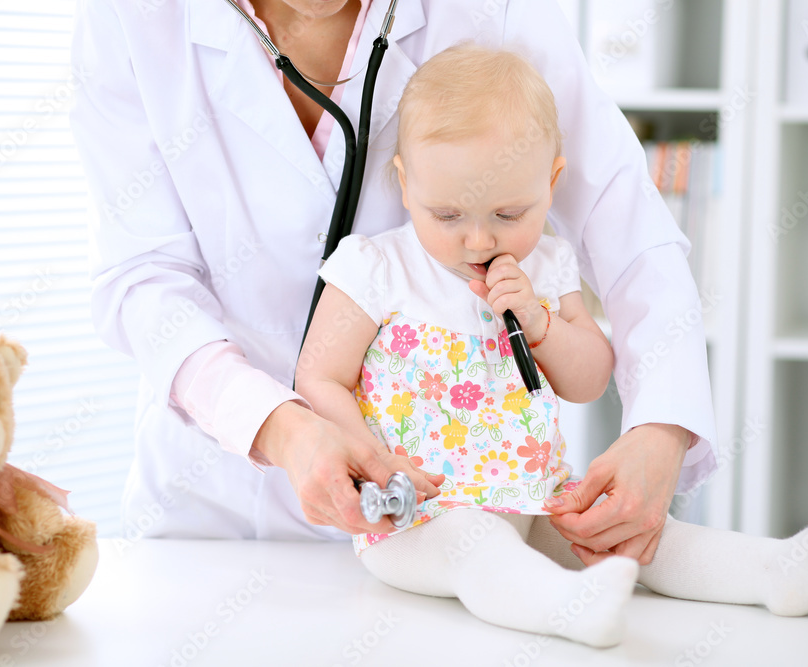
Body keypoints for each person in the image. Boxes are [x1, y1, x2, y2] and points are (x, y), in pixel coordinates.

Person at [70, 0, 714, 556]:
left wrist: (662, 422)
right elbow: (143, 276)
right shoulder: (133, 19)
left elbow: (623, 218)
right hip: (216, 509)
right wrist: (279, 426)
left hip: (455, 516)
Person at [295, 43, 808, 648]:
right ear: (405, 185)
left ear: (551, 183)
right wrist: (368, 457)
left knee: (635, 537)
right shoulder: (377, 268)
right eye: (447, 215)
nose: (479, 238)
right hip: (415, 518)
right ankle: (566, 607)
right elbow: (318, 377)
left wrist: (542, 325)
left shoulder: (547, 265)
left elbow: (590, 378)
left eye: (509, 211)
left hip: (533, 496)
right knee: (477, 544)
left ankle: (777, 572)